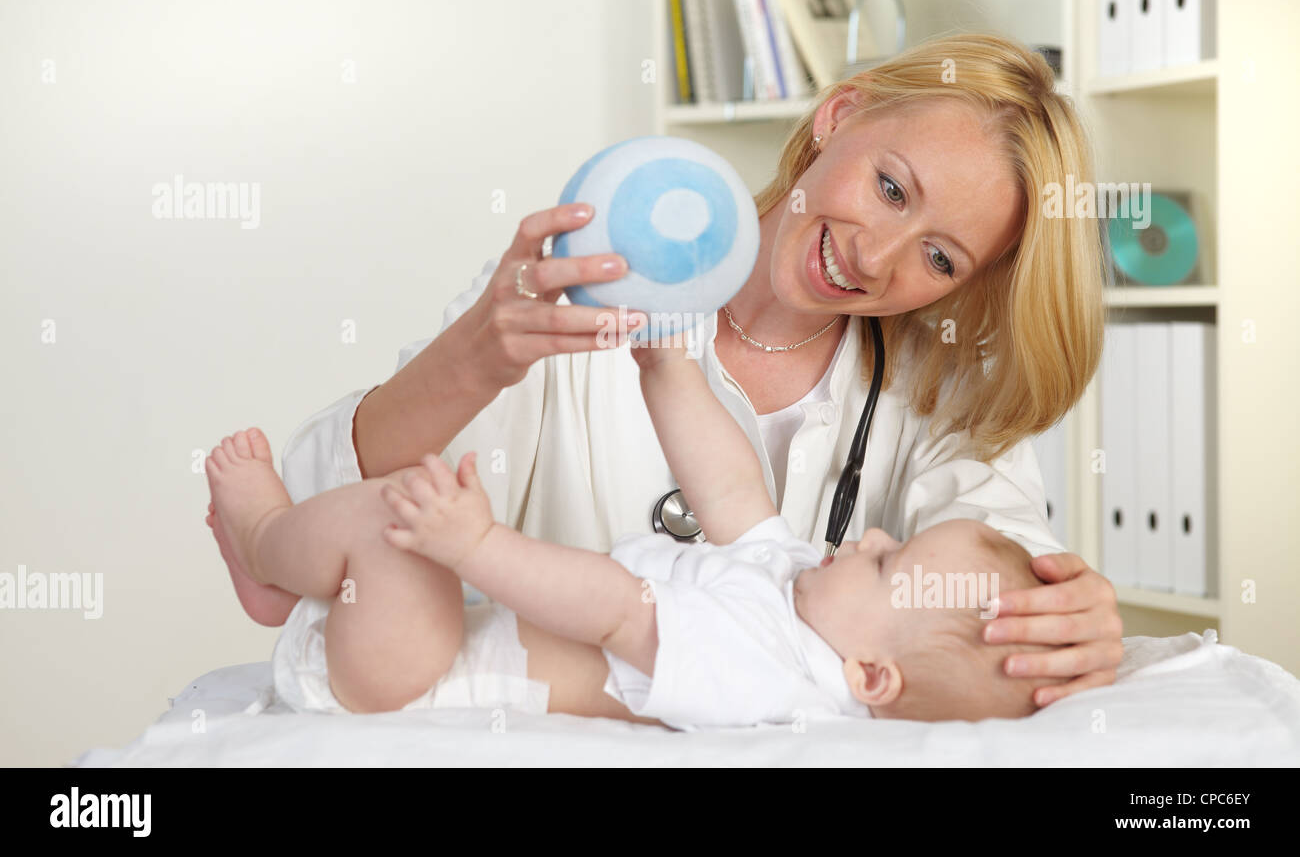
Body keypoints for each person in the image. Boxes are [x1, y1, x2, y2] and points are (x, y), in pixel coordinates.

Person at [205, 30, 1122, 709]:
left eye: (941, 260)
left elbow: (996, 564)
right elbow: (375, 492)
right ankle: (261, 541)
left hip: (460, 698)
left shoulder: (940, 385)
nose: (879, 258)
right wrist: (473, 362)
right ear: (839, 116)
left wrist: (1064, 618)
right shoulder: (587, 284)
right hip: (418, 660)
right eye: (890, 188)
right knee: (374, 520)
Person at [203, 323, 1058, 723]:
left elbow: (616, 606)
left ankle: (260, 542)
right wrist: (671, 371)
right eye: (889, 539)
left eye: (885, 565)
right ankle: (278, 568)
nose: (868, 539)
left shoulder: (770, 669)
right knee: (395, 530)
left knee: (393, 518)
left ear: (869, 677)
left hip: (414, 686)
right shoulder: (794, 594)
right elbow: (727, 488)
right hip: (421, 652)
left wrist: (478, 546)